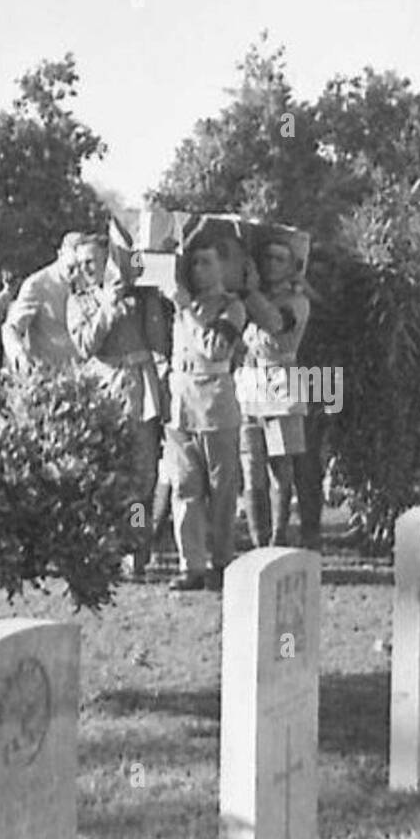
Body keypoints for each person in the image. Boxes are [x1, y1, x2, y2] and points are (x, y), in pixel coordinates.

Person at [64, 235, 166, 578]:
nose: (86, 270)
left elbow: (159, 338)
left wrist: (146, 294)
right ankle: (107, 546)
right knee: (106, 476)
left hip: (141, 392)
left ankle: (137, 548)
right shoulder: (79, 302)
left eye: (92, 262)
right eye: (80, 264)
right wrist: (107, 305)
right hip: (105, 392)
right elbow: (84, 346)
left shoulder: (140, 297)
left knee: (143, 477)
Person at [164, 238, 247, 591]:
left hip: (215, 405)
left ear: (223, 267)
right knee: (184, 486)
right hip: (180, 405)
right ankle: (191, 564)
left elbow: (216, 349)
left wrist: (188, 312)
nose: (199, 270)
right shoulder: (181, 304)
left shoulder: (232, 307)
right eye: (194, 263)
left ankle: (221, 560)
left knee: (221, 490)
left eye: (206, 263)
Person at [237, 240, 313, 549]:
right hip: (250, 383)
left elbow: (274, 322)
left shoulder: (297, 301)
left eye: (279, 259)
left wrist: (249, 292)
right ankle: (258, 539)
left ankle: (279, 536)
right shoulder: (255, 297)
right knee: (251, 466)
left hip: (282, 383)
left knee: (281, 466)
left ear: (293, 266)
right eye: (267, 256)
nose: (271, 263)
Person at [1, 233, 91, 369]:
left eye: (82, 266)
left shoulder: (91, 281)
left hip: (87, 372)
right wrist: (19, 355)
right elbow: (11, 328)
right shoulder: (38, 285)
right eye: (71, 268)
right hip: (50, 373)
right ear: (60, 255)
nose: (77, 274)